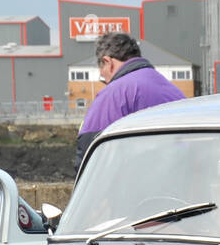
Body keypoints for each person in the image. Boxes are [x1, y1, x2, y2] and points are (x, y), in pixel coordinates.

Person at [74, 32, 185, 173]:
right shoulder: (174, 91)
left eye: (103, 76)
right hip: (177, 181)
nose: (105, 82)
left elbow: (88, 152)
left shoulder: (114, 93)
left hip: (140, 186)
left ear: (108, 62)